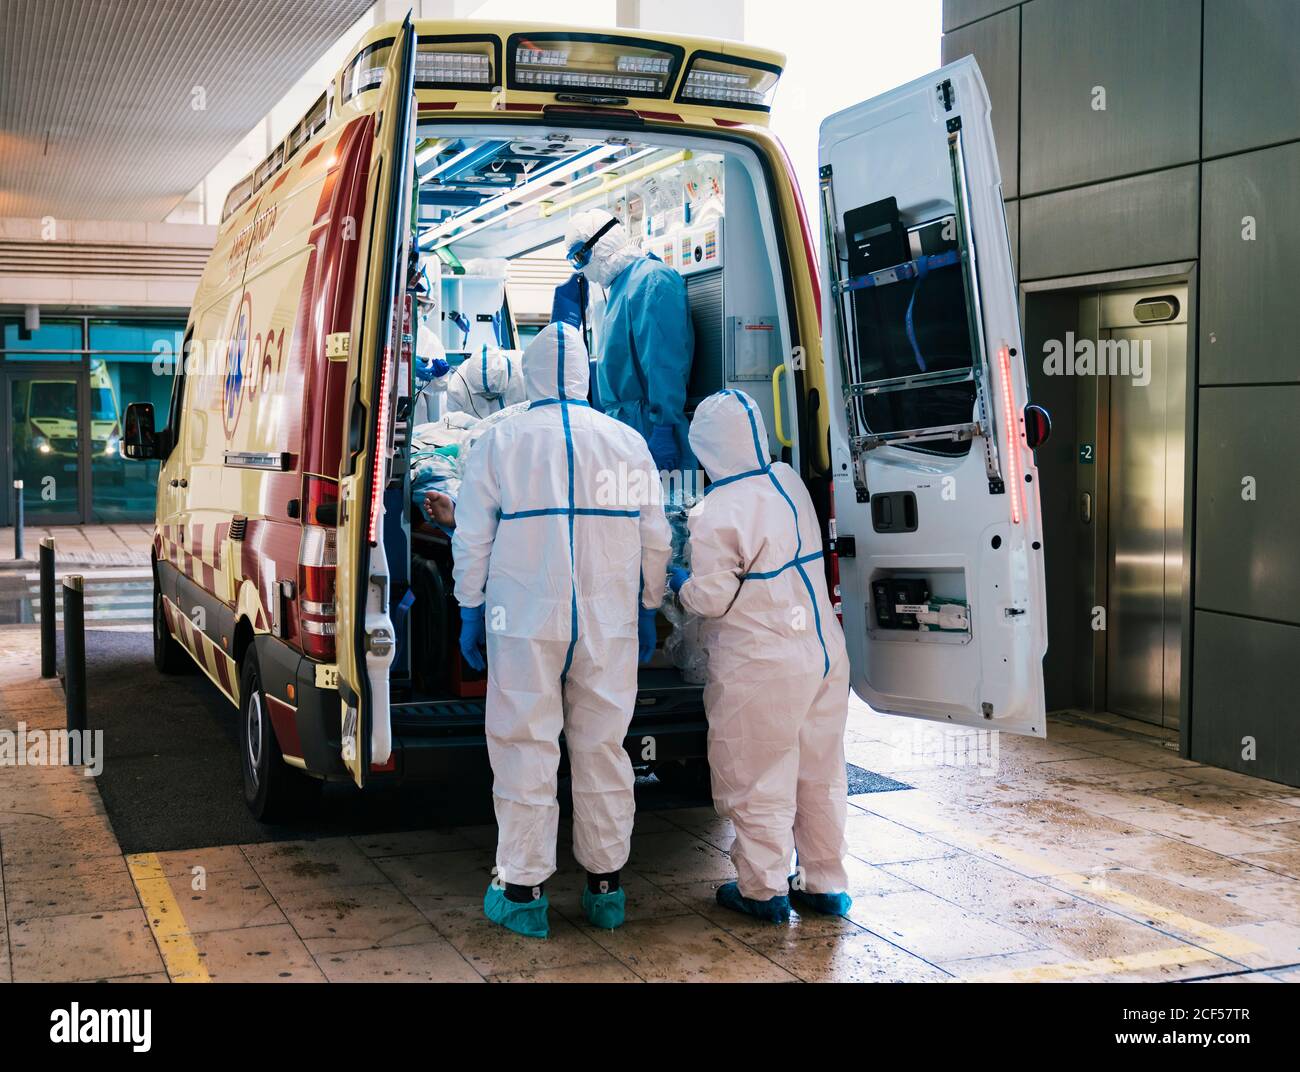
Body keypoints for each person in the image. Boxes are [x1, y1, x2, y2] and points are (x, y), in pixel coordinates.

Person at [452, 320, 672, 939]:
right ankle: (606, 887)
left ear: (531, 373)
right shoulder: (627, 443)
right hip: (608, 621)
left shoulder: (499, 441)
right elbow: (657, 535)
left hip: (523, 618)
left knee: (526, 743)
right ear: (586, 373)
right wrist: (649, 605)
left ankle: (522, 889)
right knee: (603, 745)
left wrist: (471, 607)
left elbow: (473, 536)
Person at [668, 389, 852, 923]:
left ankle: (762, 890)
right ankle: (823, 883)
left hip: (762, 663)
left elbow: (712, 597)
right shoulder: (787, 481)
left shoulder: (716, 511)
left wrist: (679, 584)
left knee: (757, 773)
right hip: (822, 654)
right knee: (819, 771)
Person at [563, 208, 694, 474]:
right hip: (627, 428)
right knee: (629, 512)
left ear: (599, 246)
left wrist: (664, 427)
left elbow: (663, 361)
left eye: (579, 257)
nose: (581, 268)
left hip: (652, 427)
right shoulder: (620, 288)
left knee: (670, 510)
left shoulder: (651, 280)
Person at [443, 346, 526, 417]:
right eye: (482, 394)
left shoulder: (525, 368)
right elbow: (453, 423)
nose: (489, 397)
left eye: (495, 394)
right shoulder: (457, 389)